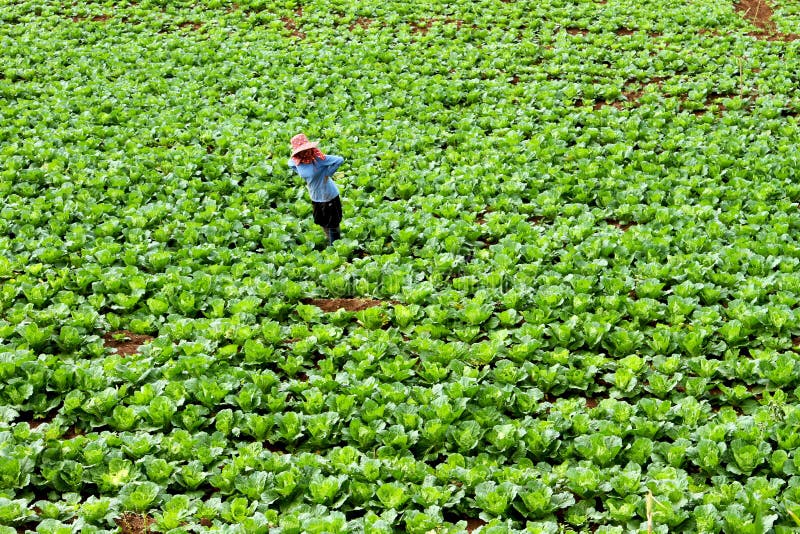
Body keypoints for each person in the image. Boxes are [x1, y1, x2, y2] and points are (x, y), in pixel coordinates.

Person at [288, 133, 345, 246]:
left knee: (333, 224)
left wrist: (328, 173)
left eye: (307, 149)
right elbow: (290, 165)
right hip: (315, 196)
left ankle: (335, 246)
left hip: (329, 195)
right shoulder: (296, 162)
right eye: (303, 150)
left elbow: (339, 160)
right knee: (322, 221)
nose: (306, 152)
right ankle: (330, 240)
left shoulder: (318, 159)